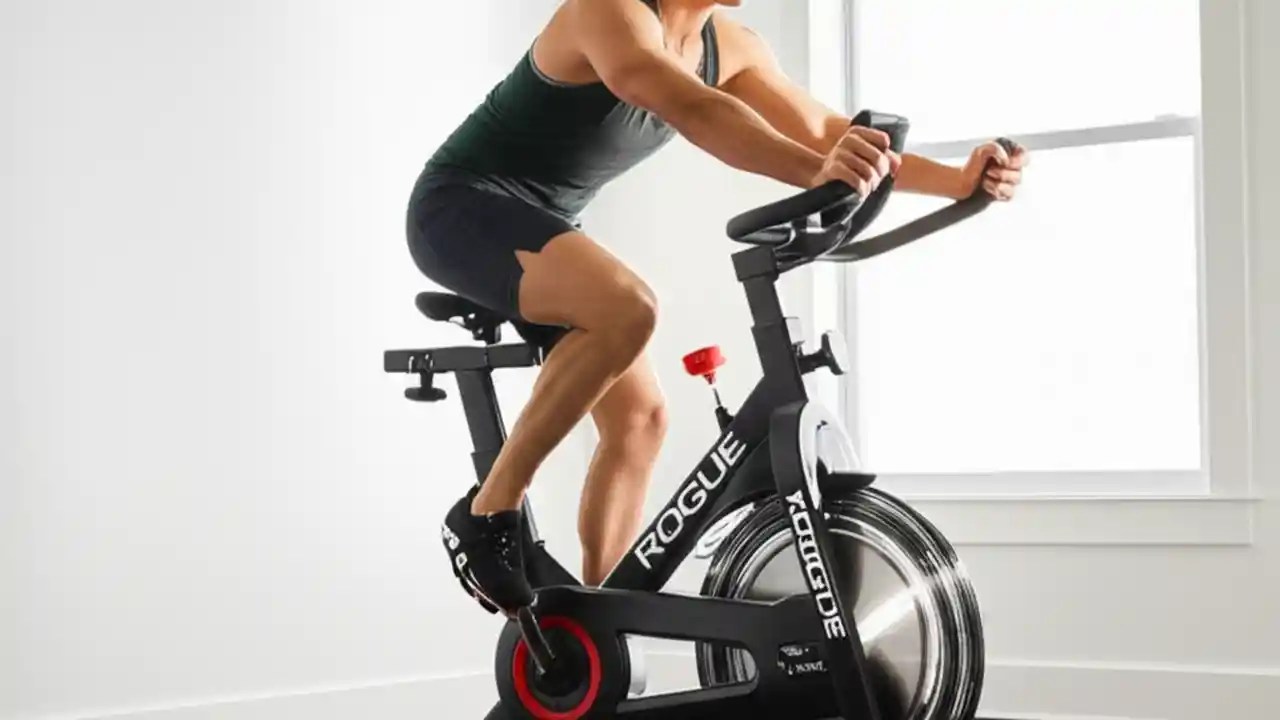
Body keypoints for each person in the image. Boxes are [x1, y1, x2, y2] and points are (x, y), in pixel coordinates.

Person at [409, 0, 1029, 615]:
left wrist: (959, 180)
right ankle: (487, 512)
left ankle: (602, 621)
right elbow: (695, 108)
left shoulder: (728, 44)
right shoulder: (609, 10)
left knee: (641, 421)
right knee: (629, 309)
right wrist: (820, 173)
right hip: (461, 208)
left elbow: (823, 130)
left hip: (546, 223)